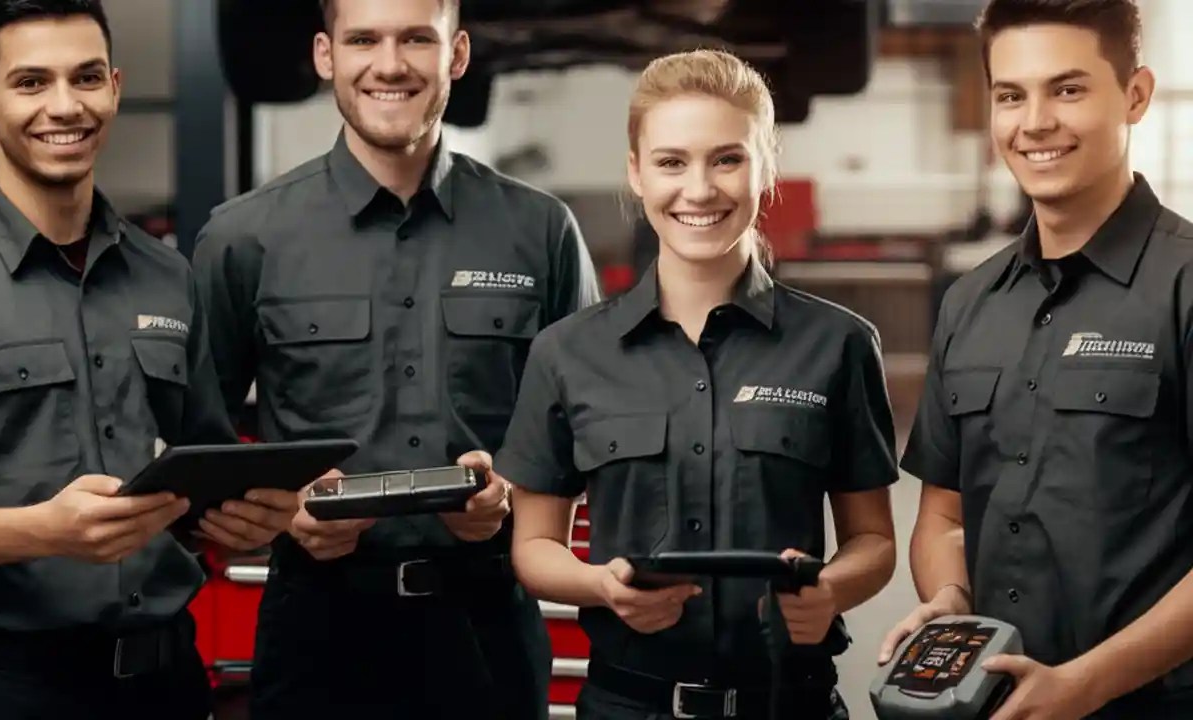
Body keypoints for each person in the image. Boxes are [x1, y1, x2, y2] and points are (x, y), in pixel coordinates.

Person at [191, 0, 601, 717]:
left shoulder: (539, 231)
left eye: (417, 38)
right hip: (316, 632)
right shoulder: (242, 238)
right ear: (326, 55)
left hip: (487, 631)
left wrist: (508, 497)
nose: (389, 64)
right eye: (363, 40)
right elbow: (200, 441)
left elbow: (591, 433)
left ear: (458, 54)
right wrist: (288, 513)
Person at [0, 2, 300, 718]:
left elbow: (201, 466)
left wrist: (249, 515)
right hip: (8, 689)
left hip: (169, 682)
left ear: (115, 87)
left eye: (86, 77)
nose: (65, 106)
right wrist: (40, 530)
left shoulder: (166, 276)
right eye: (31, 82)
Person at [495, 49, 899, 720]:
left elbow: (875, 542)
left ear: (765, 167)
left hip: (787, 706)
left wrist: (829, 589)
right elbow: (535, 547)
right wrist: (601, 586)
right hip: (629, 706)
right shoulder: (567, 352)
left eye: (727, 159)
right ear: (636, 173)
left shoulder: (840, 345)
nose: (700, 189)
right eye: (672, 162)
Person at [881, 1, 1193, 717]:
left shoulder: (1185, 288)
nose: (1035, 122)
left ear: (1135, 95)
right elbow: (943, 517)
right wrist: (950, 599)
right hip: (993, 701)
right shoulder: (970, 301)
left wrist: (1085, 686)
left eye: (1069, 89)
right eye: (1010, 95)